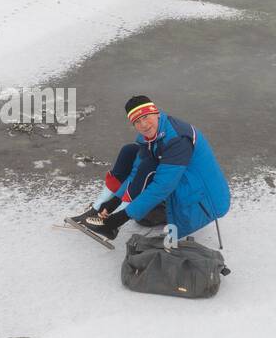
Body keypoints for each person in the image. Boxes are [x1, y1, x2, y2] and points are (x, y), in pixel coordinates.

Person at [69, 96, 231, 244]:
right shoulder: (149, 136)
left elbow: (163, 186)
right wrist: (114, 201)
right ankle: (99, 209)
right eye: (137, 121)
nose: (143, 125)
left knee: (150, 168)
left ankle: (113, 223)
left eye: (146, 117)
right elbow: (136, 171)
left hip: (203, 200)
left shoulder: (177, 139)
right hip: (182, 186)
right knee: (130, 152)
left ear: (156, 113)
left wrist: (121, 217)